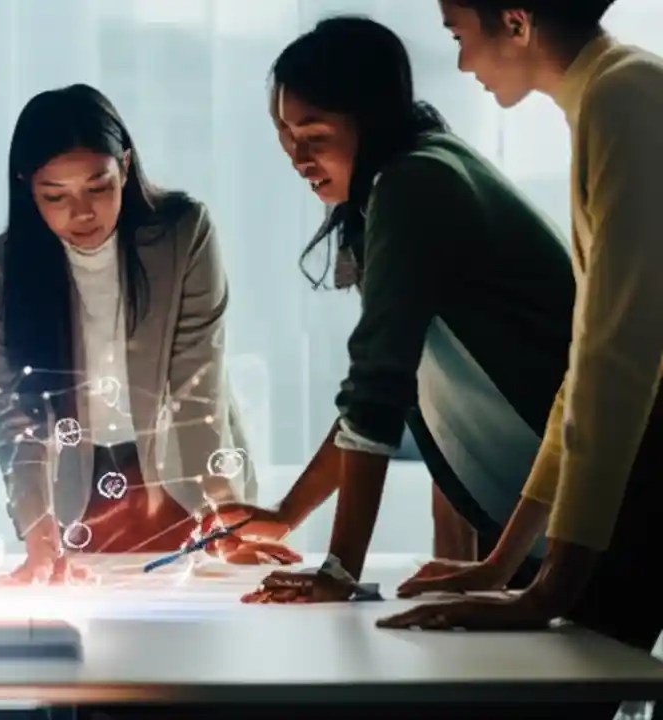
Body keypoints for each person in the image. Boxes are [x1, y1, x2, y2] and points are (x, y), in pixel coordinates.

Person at [204, 16, 577, 604]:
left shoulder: (413, 184)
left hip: (586, 495)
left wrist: (340, 570)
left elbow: (378, 391)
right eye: (286, 137)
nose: (298, 158)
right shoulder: (413, 173)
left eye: (315, 136)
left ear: (368, 121)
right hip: (548, 502)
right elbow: (378, 398)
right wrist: (285, 515)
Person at [382, 0, 663, 654]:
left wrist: (551, 588)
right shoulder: (608, 93)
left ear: (516, 23)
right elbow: (585, 373)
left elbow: (617, 362)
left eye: (460, 34)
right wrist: (503, 566)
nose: (460, 61)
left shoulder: (623, 95)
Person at [0, 83, 292, 584]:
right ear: (27, 189)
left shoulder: (182, 233)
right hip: (81, 486)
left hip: (180, 472)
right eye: (54, 196)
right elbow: (17, 413)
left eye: (98, 186)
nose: (81, 212)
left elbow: (198, 389)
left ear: (124, 168)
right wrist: (40, 534)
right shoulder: (11, 261)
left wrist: (221, 513)